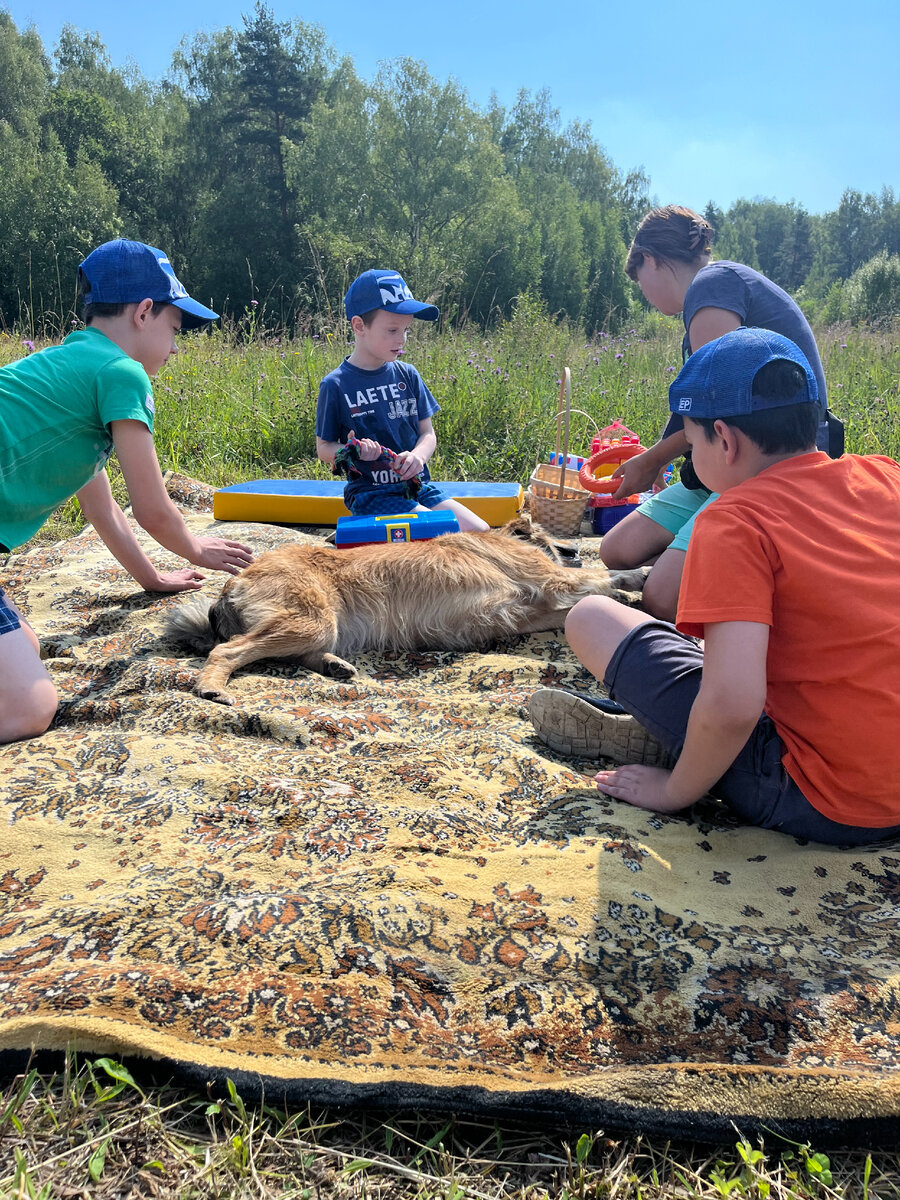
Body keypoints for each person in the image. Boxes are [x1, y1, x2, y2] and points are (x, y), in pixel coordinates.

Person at [529, 328, 900, 846]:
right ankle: (693, 743)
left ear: (723, 440)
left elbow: (733, 702)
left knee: (591, 617)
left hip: (822, 799)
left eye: (690, 442)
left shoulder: (734, 520)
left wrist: (673, 793)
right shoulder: (884, 476)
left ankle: (686, 755)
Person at [0, 239, 254, 744]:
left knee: (24, 648)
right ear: (143, 312)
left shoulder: (73, 374)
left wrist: (153, 576)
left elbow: (102, 507)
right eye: (175, 329)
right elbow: (153, 510)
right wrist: (199, 549)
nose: (176, 347)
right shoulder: (122, 373)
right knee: (29, 709)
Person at [599, 204, 840, 622]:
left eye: (641, 284)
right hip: (728, 455)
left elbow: (724, 408)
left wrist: (654, 458)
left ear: (652, 261)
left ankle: (734, 573)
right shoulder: (715, 293)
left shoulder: (712, 287)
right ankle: (707, 561)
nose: (646, 296)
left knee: (661, 598)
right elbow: (701, 403)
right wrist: (661, 455)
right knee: (616, 551)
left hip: (766, 461)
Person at [316, 269, 488, 531]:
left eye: (406, 329)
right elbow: (323, 449)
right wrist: (355, 450)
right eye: (393, 329)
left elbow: (427, 434)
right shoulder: (335, 384)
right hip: (372, 494)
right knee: (439, 531)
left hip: (416, 487)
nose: (402, 339)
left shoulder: (408, 374)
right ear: (359, 325)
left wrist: (418, 457)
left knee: (480, 531)